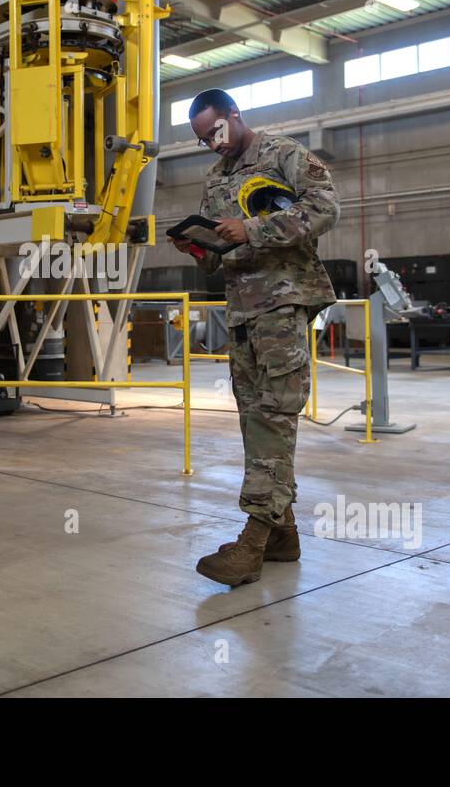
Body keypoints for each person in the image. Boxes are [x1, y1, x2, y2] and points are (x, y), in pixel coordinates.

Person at [172, 88, 340, 587]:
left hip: (283, 304)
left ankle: (253, 539)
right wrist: (199, 249)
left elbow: (326, 208)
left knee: (273, 416)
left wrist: (253, 229)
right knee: (254, 417)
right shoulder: (216, 176)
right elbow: (223, 252)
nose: (213, 145)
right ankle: (282, 533)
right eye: (203, 140)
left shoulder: (283, 155)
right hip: (243, 311)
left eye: (216, 133)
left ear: (234, 116)